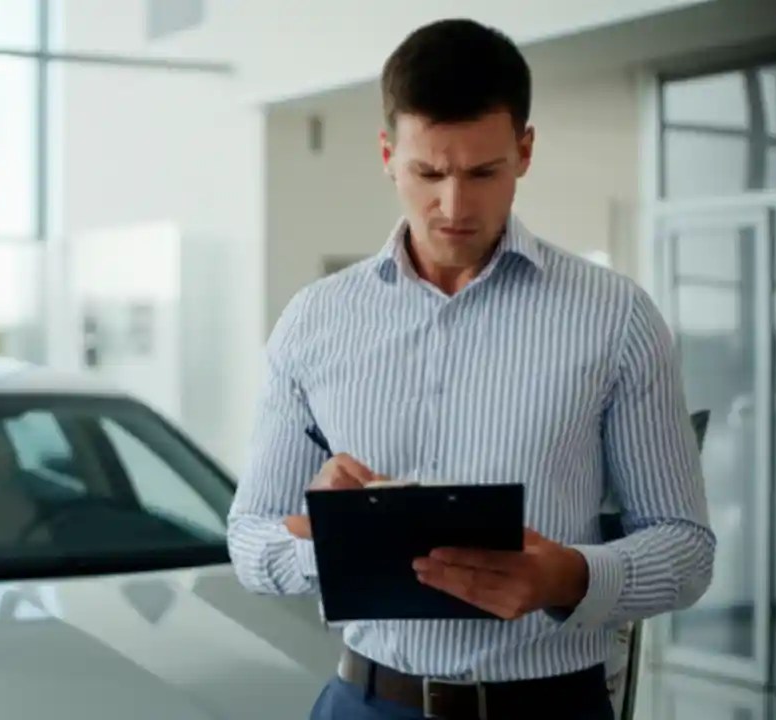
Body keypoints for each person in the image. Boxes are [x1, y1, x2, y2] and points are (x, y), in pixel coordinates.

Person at [227, 18, 715, 720]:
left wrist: (569, 578)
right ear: (388, 154)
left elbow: (686, 548)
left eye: (483, 172)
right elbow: (249, 541)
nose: (453, 206)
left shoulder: (616, 318)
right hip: (364, 702)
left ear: (524, 151)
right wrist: (323, 537)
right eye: (429, 172)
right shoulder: (314, 321)